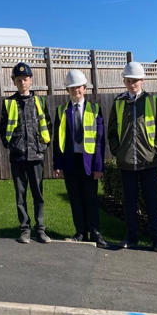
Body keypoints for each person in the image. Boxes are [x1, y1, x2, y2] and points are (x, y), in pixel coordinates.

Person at [107, 62, 157, 251]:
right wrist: (118, 151)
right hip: (127, 163)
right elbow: (111, 132)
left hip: (149, 162)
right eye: (129, 80)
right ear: (124, 81)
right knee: (130, 203)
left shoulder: (153, 102)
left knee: (152, 202)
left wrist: (155, 149)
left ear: (143, 81)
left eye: (136, 80)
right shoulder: (118, 103)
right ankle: (131, 237)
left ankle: (156, 239)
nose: (133, 83)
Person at [0, 62, 53, 244]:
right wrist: (11, 145)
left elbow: (48, 125)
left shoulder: (40, 101)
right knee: (20, 195)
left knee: (38, 195)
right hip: (18, 157)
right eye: (19, 79)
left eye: (26, 79)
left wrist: (43, 146)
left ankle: (41, 229)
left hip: (36, 155)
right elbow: (2, 129)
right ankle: (24, 229)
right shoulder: (9, 103)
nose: (23, 82)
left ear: (31, 80)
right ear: (14, 82)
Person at [53, 69, 106, 246]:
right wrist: (57, 164)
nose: (76, 91)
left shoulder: (95, 109)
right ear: (67, 90)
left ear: (85, 88)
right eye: (72, 88)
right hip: (70, 161)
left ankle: (95, 232)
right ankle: (80, 232)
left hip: (89, 162)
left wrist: (99, 167)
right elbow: (57, 140)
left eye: (79, 87)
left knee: (91, 198)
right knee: (75, 199)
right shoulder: (61, 111)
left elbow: (99, 141)